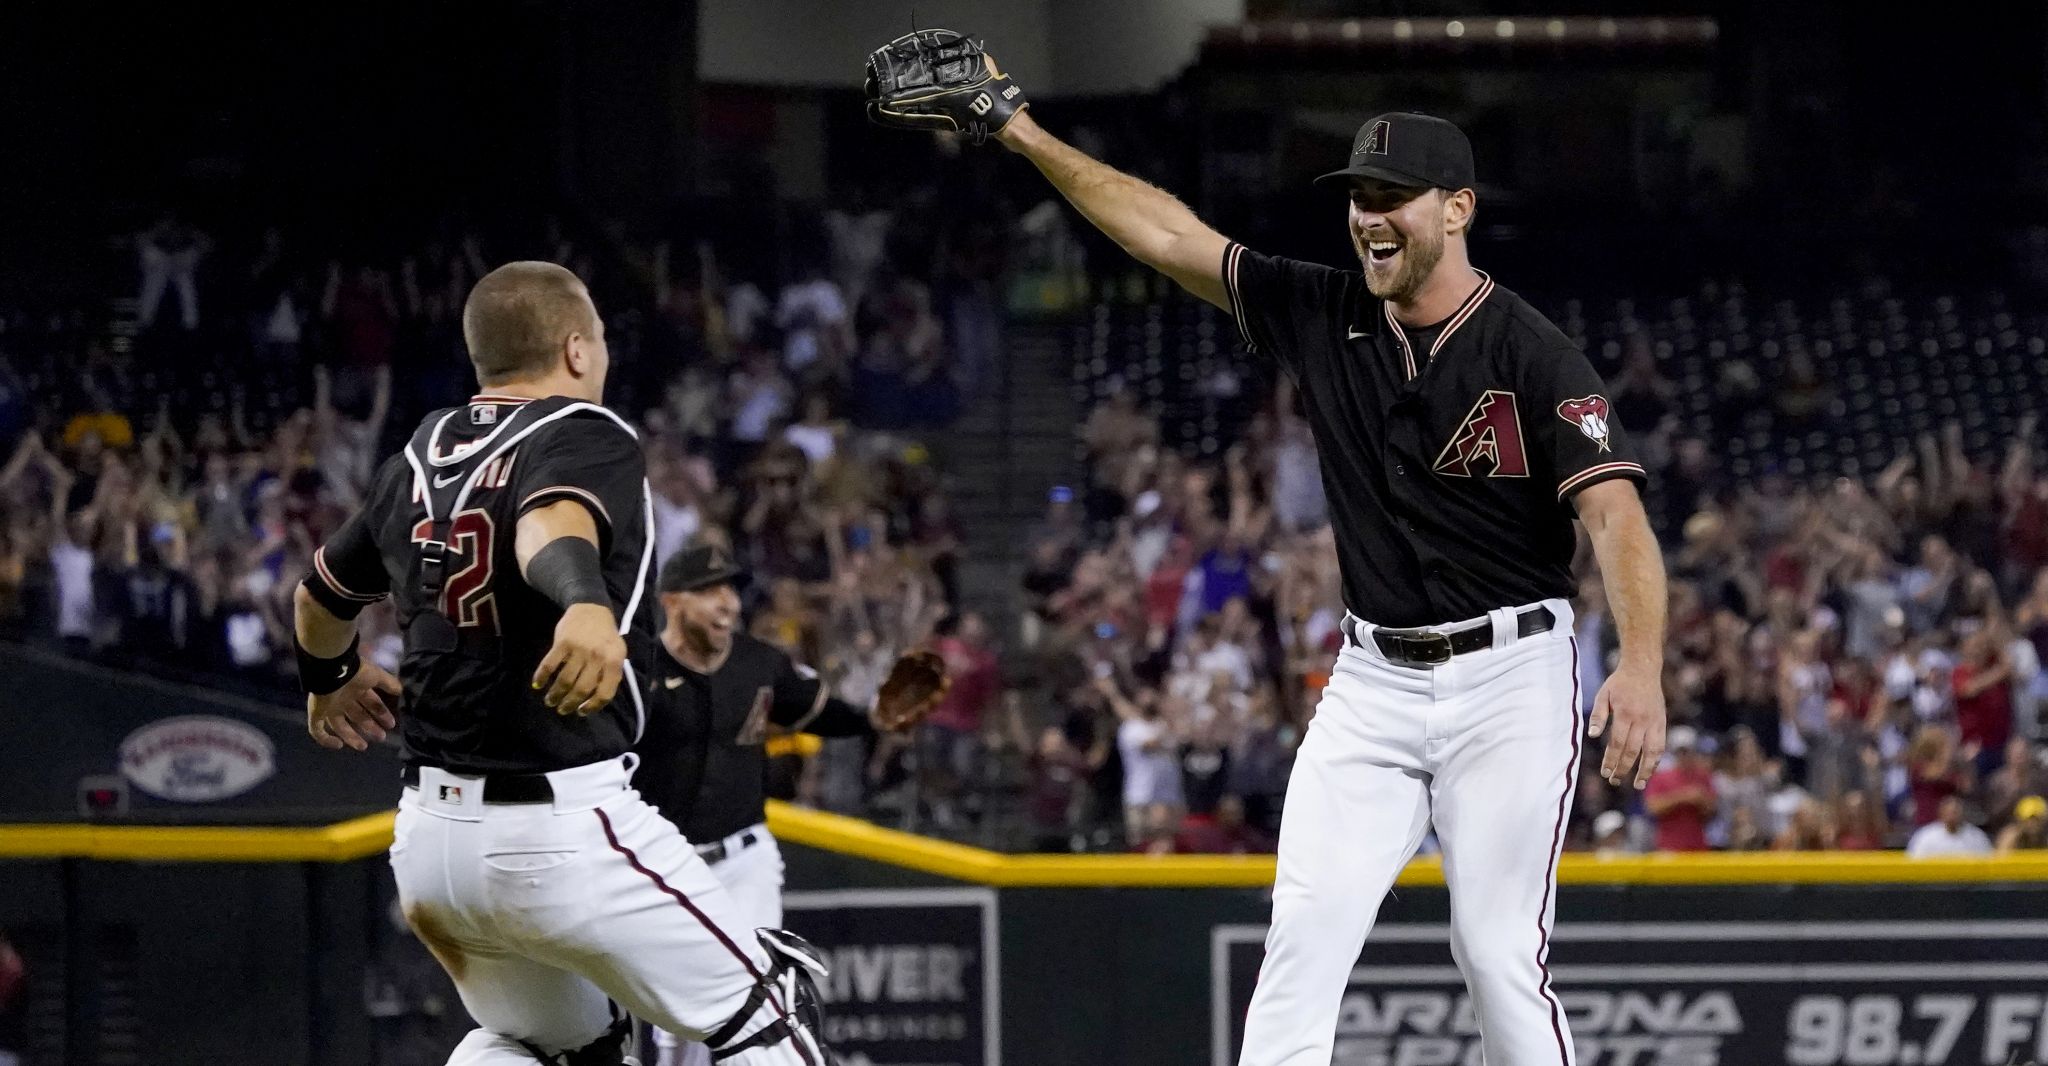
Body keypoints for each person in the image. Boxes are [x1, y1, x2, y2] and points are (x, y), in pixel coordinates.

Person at [870, 41, 1667, 1064]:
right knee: (1301, 932)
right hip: (1373, 675)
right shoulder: (1322, 311)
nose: (1367, 216)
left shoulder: (1530, 353)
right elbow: (1167, 235)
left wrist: (1638, 665)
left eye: (1393, 196)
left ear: (1456, 208)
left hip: (1511, 675)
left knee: (1493, 947)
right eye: (1356, 195)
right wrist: (1019, 129)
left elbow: (1614, 518)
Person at [294, 261, 833, 1066]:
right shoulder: (584, 428)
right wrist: (581, 601)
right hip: (558, 823)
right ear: (577, 349)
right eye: (603, 342)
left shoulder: (422, 450)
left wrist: (329, 678)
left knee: (541, 1046)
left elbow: (318, 595)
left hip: (432, 845)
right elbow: (547, 523)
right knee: (767, 1005)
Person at [633, 543, 942, 1066]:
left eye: (730, 589)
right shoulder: (638, 669)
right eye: (710, 591)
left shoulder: (759, 662)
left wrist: (875, 719)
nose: (728, 603)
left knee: (763, 995)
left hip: (743, 858)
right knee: (681, 1021)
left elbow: (818, 711)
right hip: (666, 867)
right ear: (672, 601)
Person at [1644, 726, 1717, 851]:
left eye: (1687, 751)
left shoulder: (1703, 776)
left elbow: (1713, 809)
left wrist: (1701, 800)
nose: (1684, 756)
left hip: (1697, 844)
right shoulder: (1661, 777)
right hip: (1669, 845)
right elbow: (1652, 807)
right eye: (1681, 752)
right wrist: (1683, 797)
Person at [1905, 795, 1993, 857]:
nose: (1952, 815)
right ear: (1941, 812)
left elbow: (1988, 862)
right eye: (1949, 812)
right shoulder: (1925, 836)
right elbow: (1914, 863)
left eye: (1955, 812)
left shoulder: (1976, 837)